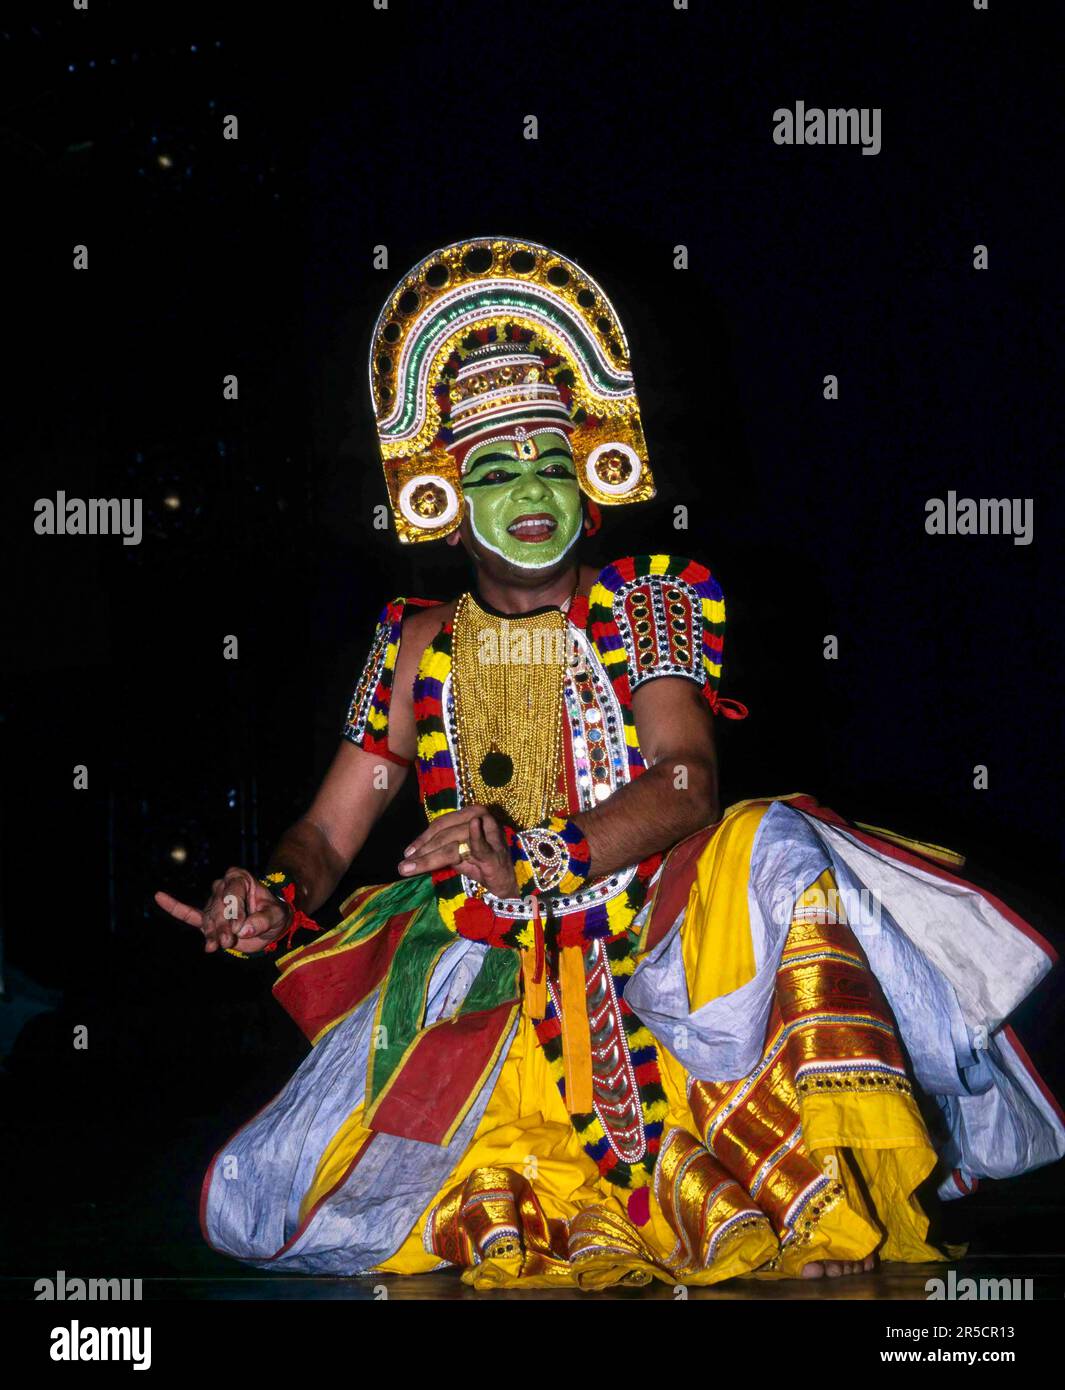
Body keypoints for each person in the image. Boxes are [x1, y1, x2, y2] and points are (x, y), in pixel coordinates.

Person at [157, 237, 1064, 1289]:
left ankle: (795, 1171)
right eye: (496, 468)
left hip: (653, 924)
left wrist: (543, 855)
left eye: (552, 458)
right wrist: (272, 894)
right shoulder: (412, 643)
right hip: (491, 954)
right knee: (430, 1195)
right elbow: (326, 834)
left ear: (593, 477)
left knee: (779, 847)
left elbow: (688, 778)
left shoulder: (644, 597)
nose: (530, 489)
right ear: (445, 500)